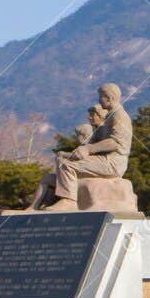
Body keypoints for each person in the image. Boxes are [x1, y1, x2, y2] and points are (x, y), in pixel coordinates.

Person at [41, 83, 132, 211]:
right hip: (105, 159)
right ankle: (53, 200)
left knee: (66, 165)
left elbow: (115, 142)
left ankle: (69, 201)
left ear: (109, 97)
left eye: (101, 96)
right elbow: (96, 141)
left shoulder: (119, 116)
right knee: (63, 159)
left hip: (113, 162)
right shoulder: (110, 116)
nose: (99, 100)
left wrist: (88, 149)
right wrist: (72, 153)